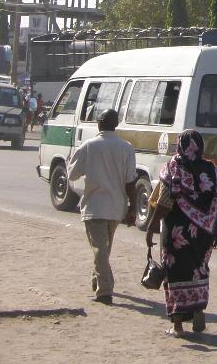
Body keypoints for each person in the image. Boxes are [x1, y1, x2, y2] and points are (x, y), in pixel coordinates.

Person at [145, 130, 217, 337]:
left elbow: (164, 203)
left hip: (176, 232)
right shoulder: (212, 170)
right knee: (198, 268)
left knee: (175, 274)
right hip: (204, 233)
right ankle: (197, 308)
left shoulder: (173, 168)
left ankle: (177, 325)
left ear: (180, 145)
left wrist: (151, 227)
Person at [67, 108, 137, 304]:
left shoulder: (90, 146)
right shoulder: (126, 147)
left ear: (99, 124)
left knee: (100, 249)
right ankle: (97, 281)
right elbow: (131, 181)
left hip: (94, 206)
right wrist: (132, 208)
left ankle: (105, 291)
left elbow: (72, 174)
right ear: (115, 124)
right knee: (104, 249)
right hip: (116, 207)